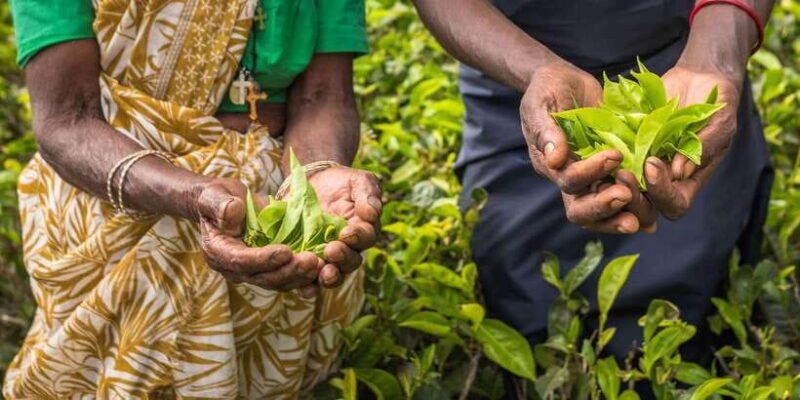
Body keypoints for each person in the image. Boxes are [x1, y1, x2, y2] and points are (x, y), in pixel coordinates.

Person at [3, 0, 380, 398]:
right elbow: (68, 120)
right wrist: (195, 195)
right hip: (117, 204)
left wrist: (318, 175)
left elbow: (322, 97)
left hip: (275, 209)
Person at [412, 0, 774, 396]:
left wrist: (717, 56)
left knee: (697, 317)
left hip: (686, 63)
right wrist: (537, 70)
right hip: (512, 77)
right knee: (533, 326)